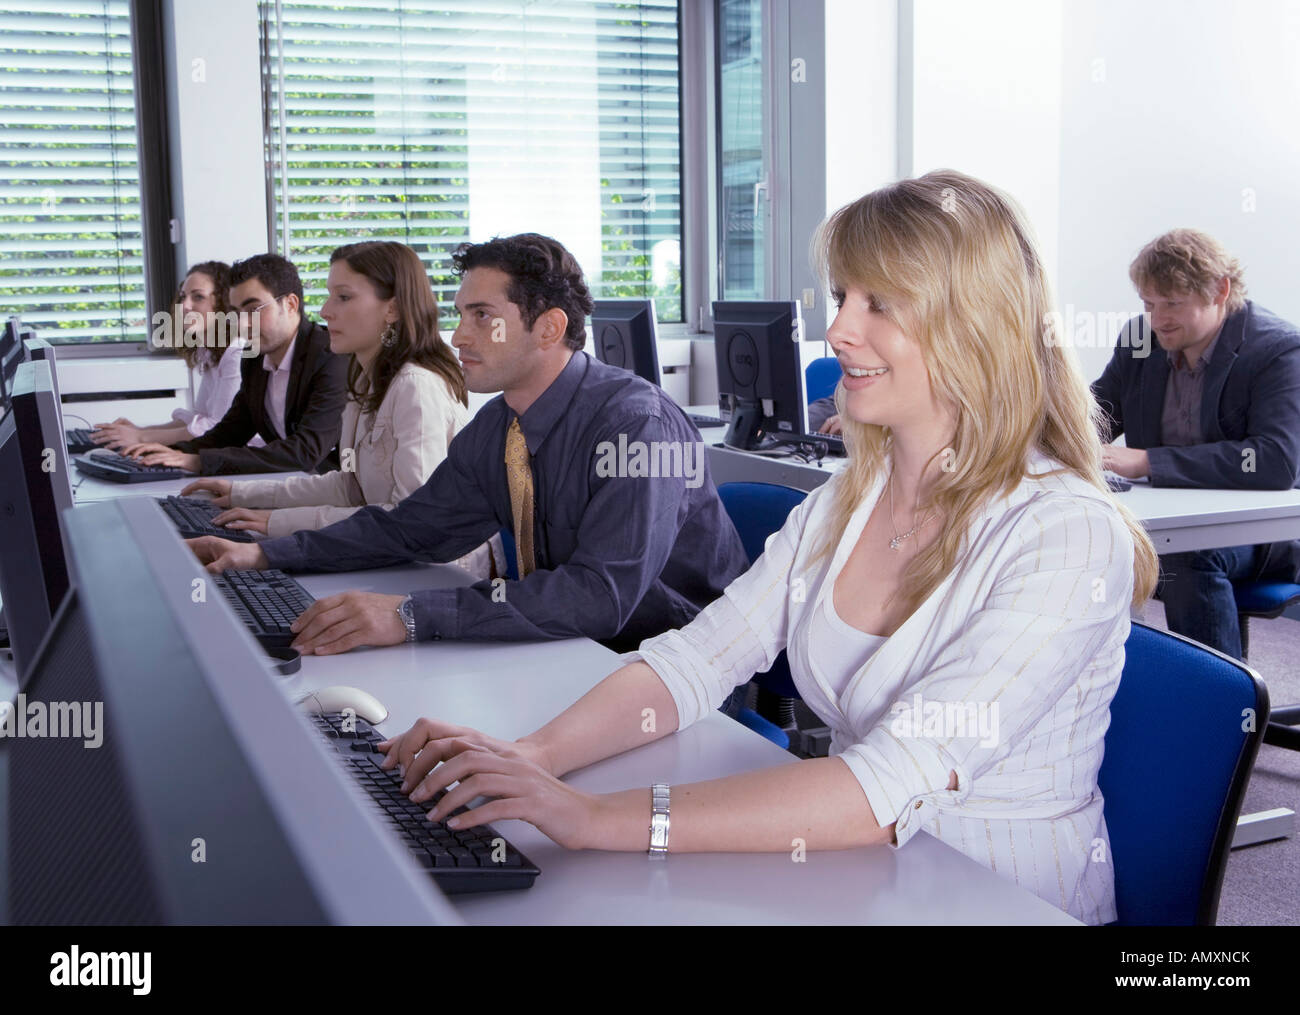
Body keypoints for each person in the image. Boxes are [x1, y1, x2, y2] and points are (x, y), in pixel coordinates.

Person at [371, 171, 1160, 926]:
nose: (841, 328)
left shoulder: (1065, 531)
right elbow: (694, 660)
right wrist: (531, 754)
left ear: (975, 324)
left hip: (997, 898)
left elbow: (885, 784)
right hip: (858, 880)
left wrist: (594, 817)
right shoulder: (846, 502)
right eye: (845, 296)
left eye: (878, 302)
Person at [186, 232, 749, 654]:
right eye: (461, 314)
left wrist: (409, 615)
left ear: (549, 328)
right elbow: (412, 527)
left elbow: (596, 598)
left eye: (483, 316)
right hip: (577, 650)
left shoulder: (636, 426)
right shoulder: (502, 425)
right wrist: (263, 554)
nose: (458, 335)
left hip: (675, 662)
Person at [178, 242, 494, 574]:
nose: (326, 311)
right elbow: (350, 486)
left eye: (343, 297)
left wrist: (276, 522)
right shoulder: (364, 380)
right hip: (390, 556)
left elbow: (407, 519)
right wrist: (244, 493)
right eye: (329, 296)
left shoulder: (415, 386)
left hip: (439, 572)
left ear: (393, 309)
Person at [1092, 228, 1300, 660]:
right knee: (1092, 540)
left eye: (1173, 303)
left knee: (1189, 558)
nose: (1158, 318)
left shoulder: (1277, 350)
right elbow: (1096, 416)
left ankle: (1224, 717)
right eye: (1149, 304)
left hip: (1265, 535)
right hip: (1175, 523)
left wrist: (1149, 461)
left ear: (1220, 291)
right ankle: (1126, 697)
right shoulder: (1142, 341)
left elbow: (1275, 461)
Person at [121, 253, 348, 475]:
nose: (242, 324)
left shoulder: (330, 357)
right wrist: (170, 453)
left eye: (253, 310)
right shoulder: (254, 358)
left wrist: (199, 462)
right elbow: (230, 432)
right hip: (291, 482)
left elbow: (305, 451)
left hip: (338, 490)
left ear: (290, 304)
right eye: (236, 313)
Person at [92, 261, 257, 448]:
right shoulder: (211, 352)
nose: (185, 306)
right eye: (183, 297)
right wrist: (139, 431)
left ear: (224, 303)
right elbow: (198, 419)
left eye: (198, 297)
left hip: (246, 458)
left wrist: (140, 438)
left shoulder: (236, 354)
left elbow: (216, 427)